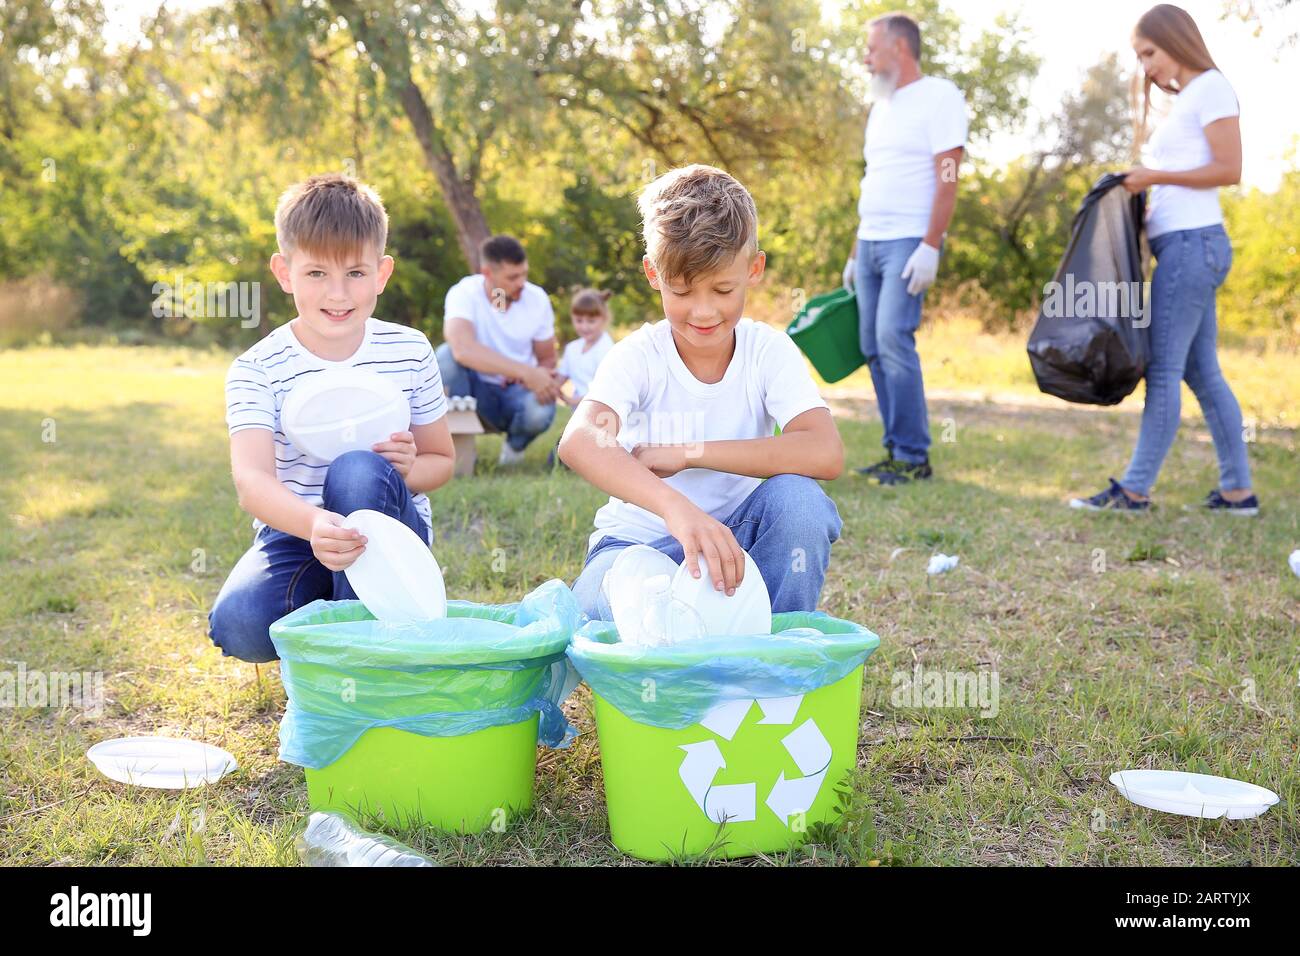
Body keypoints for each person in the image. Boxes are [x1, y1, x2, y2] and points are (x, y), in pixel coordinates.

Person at [561, 164, 845, 622]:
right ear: (653, 274)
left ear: (755, 269)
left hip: (736, 550)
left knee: (800, 502)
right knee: (605, 602)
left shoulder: (768, 350)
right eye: (682, 290)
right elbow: (580, 441)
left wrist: (691, 452)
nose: (704, 311)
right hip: (639, 548)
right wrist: (678, 510)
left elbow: (823, 452)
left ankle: (768, 656)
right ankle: (683, 645)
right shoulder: (639, 355)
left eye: (723, 289)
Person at [208, 174, 455, 663]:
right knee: (239, 623)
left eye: (356, 274)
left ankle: (362, 660)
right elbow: (252, 482)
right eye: (317, 273)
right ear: (284, 272)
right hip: (300, 532)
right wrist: (316, 525)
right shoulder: (258, 368)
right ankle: (349, 617)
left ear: (382, 273)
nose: (338, 294)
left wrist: (405, 469)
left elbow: (441, 461)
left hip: (388, 533)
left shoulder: (408, 350)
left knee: (357, 469)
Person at [1070, 3, 1257, 515]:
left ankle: (1134, 490)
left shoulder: (1212, 88)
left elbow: (1229, 168)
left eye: (1149, 52)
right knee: (1202, 374)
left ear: (1176, 40)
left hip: (1194, 246)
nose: (1145, 65)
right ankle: (1239, 492)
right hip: (1183, 247)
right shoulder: (1192, 98)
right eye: (1139, 56)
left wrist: (1153, 177)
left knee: (1164, 369)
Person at [842, 11, 967, 485]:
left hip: (908, 242)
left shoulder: (940, 96)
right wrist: (855, 251)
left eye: (872, 49)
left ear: (899, 49)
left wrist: (930, 245)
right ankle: (896, 449)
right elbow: (873, 182)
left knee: (894, 338)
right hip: (871, 241)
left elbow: (949, 176)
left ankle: (914, 456)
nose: (866, 58)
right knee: (871, 344)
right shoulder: (881, 106)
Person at [436, 235, 560, 466]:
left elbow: (547, 358)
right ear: (487, 273)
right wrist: (524, 371)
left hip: (516, 393)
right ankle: (461, 451)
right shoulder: (464, 292)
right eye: (513, 277)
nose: (521, 282)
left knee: (540, 411)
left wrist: (540, 375)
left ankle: (514, 449)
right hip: (475, 389)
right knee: (445, 355)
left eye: (524, 274)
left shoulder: (537, 299)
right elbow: (462, 348)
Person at [555, 287, 615, 408]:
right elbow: (560, 378)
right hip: (579, 412)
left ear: (603, 318)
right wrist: (549, 384)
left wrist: (574, 401)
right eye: (579, 320)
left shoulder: (608, 351)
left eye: (591, 321)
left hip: (601, 412)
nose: (584, 326)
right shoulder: (572, 348)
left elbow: (605, 389)